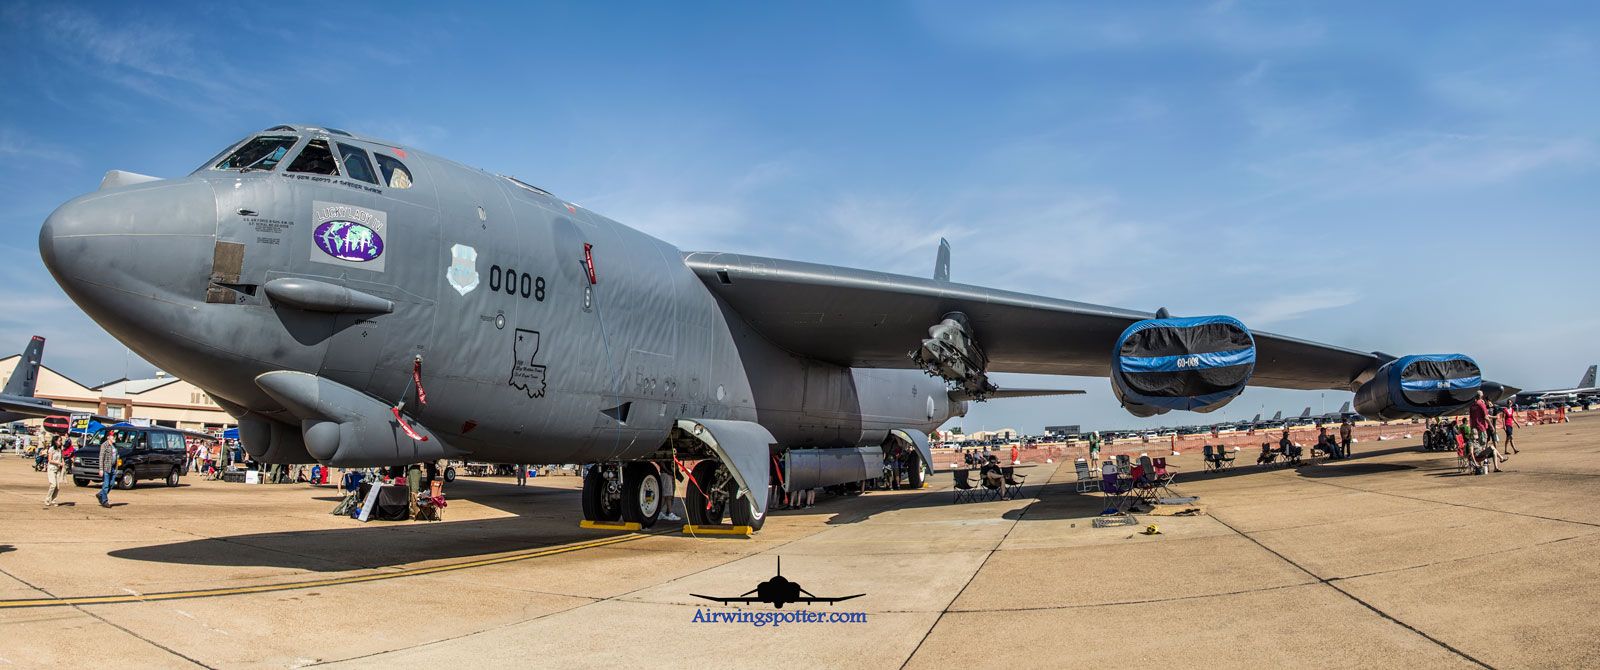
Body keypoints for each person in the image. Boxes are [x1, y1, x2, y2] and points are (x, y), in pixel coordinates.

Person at [43, 436, 65, 508]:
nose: (60, 442)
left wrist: (62, 463)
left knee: (57, 487)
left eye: (61, 440)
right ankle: (47, 499)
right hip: (52, 468)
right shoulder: (51, 449)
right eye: (59, 440)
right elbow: (50, 460)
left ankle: (54, 500)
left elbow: (62, 458)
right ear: (55, 441)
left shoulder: (60, 449)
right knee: (53, 484)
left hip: (58, 469)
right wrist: (58, 463)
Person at [96, 431, 117, 508]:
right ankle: (104, 501)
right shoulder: (104, 445)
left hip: (113, 468)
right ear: (108, 437)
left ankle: (100, 494)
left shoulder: (114, 445)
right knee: (106, 485)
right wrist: (101, 469)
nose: (114, 437)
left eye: (114, 436)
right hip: (106, 468)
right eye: (112, 436)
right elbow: (101, 457)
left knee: (111, 484)